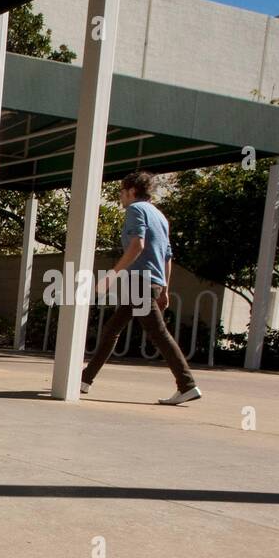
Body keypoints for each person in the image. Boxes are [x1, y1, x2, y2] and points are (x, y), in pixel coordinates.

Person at [80, 170, 201, 405]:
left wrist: (111, 276)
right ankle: (85, 380)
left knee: (159, 333)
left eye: (122, 193)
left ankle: (187, 384)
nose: (120, 198)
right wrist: (164, 289)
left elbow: (137, 244)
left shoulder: (136, 210)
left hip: (139, 281)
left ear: (132, 191)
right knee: (112, 329)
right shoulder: (160, 216)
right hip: (152, 282)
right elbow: (167, 256)